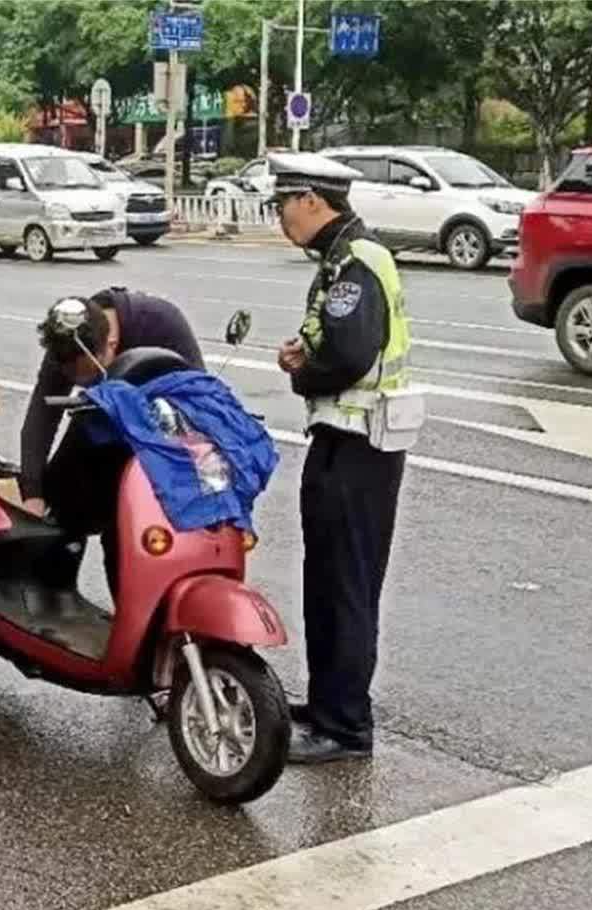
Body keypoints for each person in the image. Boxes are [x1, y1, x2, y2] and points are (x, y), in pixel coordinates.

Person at [266, 152, 415, 766]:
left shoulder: (357, 262)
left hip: (360, 448)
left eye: (281, 204)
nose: (279, 218)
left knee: (346, 586)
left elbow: (350, 355)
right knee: (325, 581)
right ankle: (327, 704)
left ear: (310, 200)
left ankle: (346, 725)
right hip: (341, 440)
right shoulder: (341, 257)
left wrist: (304, 372)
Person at [21, 289, 204, 523]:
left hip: (169, 438)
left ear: (111, 345)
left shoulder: (162, 324)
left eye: (88, 378)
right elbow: (41, 417)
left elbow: (201, 398)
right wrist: (33, 492)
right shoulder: (68, 341)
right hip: (106, 425)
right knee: (61, 491)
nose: (79, 382)